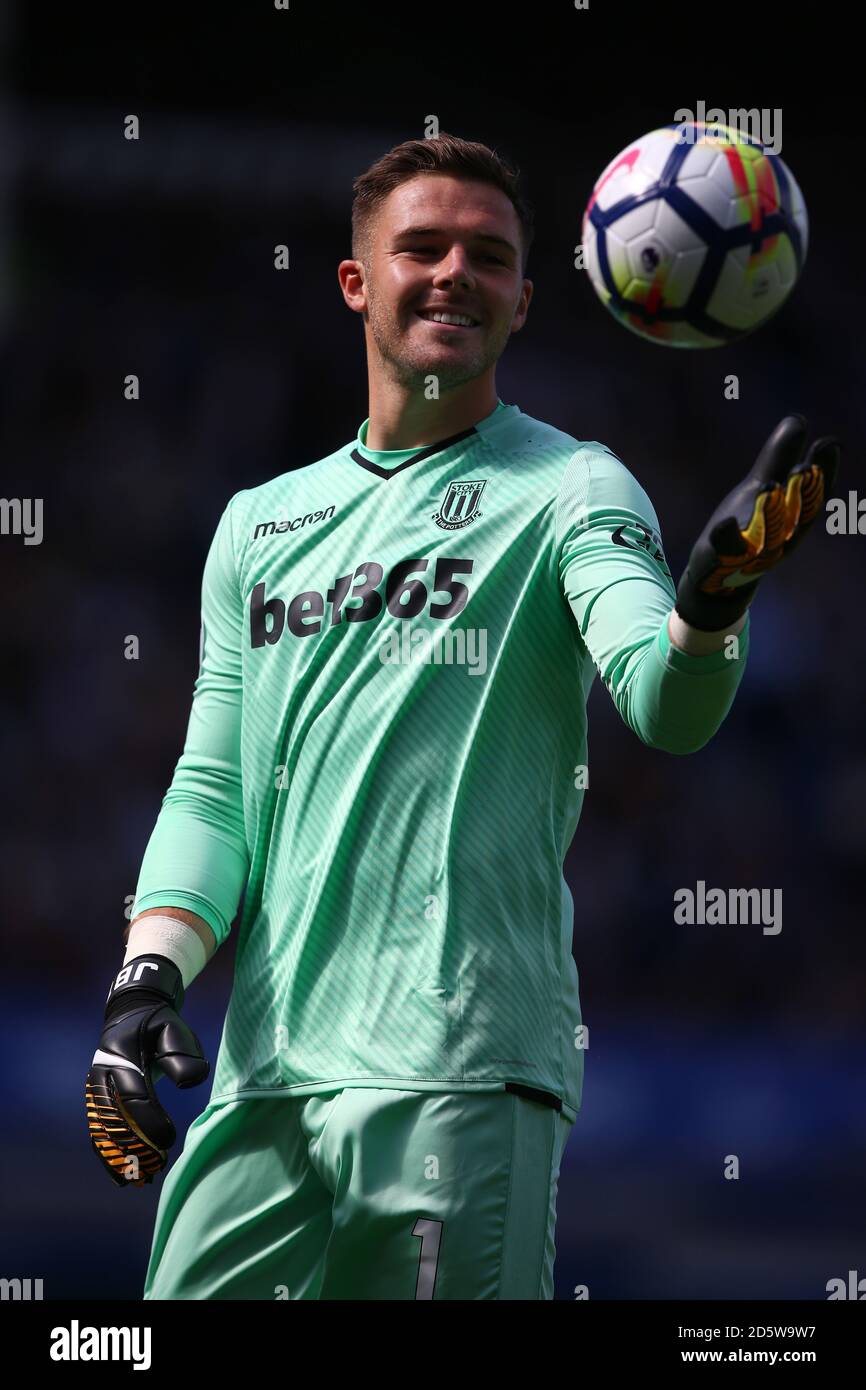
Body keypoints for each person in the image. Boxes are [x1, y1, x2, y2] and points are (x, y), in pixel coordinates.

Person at [85, 132, 838, 1300]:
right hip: (259, 1084)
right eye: (419, 248)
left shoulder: (570, 486)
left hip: (459, 1075)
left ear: (523, 301)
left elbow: (660, 701)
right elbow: (214, 788)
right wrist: (143, 986)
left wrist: (711, 605)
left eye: (487, 258)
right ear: (355, 283)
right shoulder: (258, 524)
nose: (453, 274)